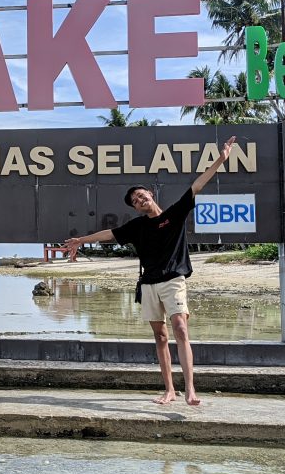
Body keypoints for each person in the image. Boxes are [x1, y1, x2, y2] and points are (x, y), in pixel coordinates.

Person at [63, 136, 236, 406]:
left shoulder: (174, 214)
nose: (139, 199)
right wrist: (80, 240)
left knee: (180, 328)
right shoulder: (137, 226)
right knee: (160, 336)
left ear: (151, 194)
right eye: (135, 200)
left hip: (173, 281)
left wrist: (221, 160)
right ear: (135, 207)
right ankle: (169, 390)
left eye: (142, 195)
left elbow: (197, 185)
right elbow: (109, 233)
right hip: (148, 284)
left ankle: (190, 389)